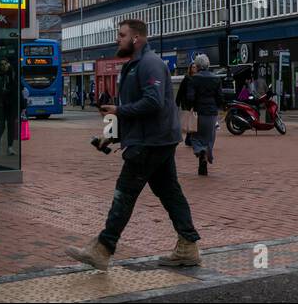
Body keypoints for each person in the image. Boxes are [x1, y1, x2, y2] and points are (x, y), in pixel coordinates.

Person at [67, 19, 201, 270]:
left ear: (136, 38)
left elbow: (153, 103)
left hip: (150, 142)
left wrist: (118, 110)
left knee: (124, 194)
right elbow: (133, 110)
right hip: (154, 140)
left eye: (122, 35)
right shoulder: (133, 65)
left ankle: (103, 248)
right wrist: (111, 135)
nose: (118, 39)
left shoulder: (149, 64)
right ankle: (188, 245)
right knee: (170, 193)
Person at [178, 54, 221, 175]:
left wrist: (190, 107)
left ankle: (200, 151)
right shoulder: (216, 78)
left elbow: (190, 97)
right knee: (209, 137)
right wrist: (219, 106)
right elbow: (219, 97)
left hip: (199, 112)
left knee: (195, 137)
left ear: (197, 65)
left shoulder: (194, 79)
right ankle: (206, 154)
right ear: (208, 64)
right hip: (212, 112)